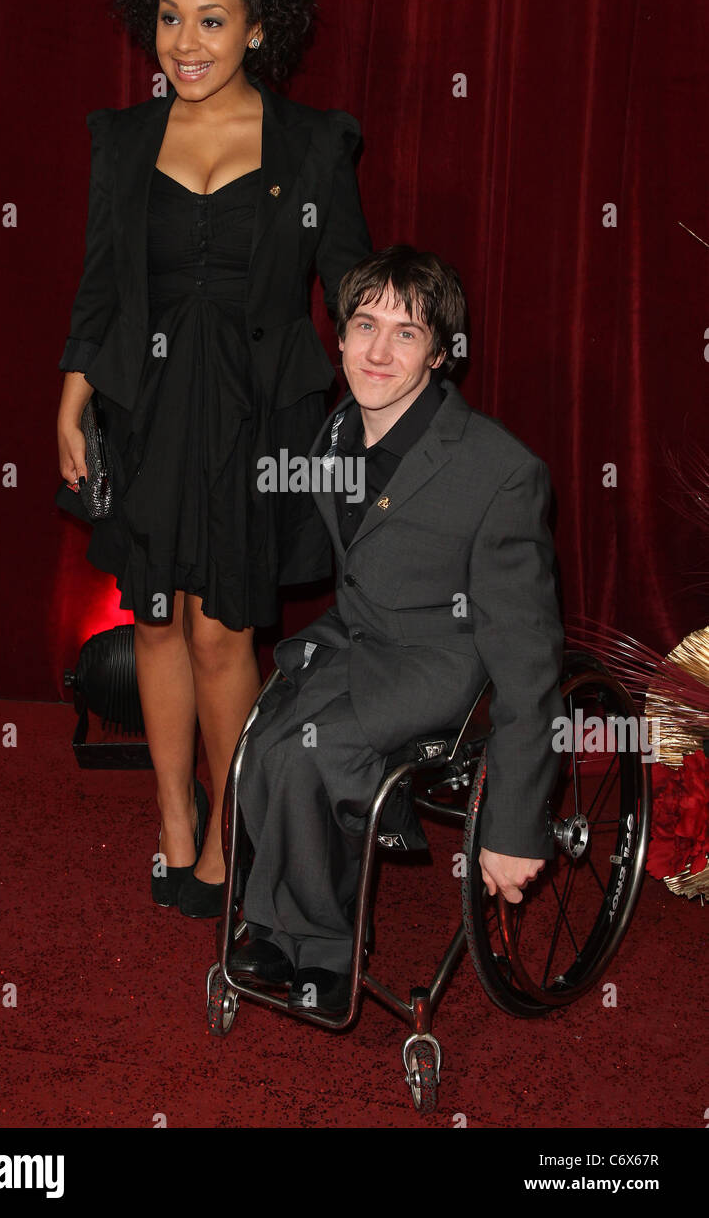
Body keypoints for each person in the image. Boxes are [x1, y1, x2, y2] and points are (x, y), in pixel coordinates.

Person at [55, 0, 371, 918]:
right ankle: (173, 819)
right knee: (154, 623)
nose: (184, 43)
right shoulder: (122, 140)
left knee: (224, 633)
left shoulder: (313, 146)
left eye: (211, 21)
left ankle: (235, 834)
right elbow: (101, 287)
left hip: (255, 415)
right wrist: (70, 397)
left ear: (258, 27)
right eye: (169, 18)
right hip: (145, 407)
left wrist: (392, 395)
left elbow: (353, 286)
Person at [230, 245, 566, 1014]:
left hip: (444, 660)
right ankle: (277, 927)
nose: (378, 350)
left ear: (441, 353)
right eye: (364, 325)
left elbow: (528, 657)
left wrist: (515, 825)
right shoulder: (337, 434)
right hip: (359, 638)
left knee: (317, 757)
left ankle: (318, 948)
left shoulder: (501, 471)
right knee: (263, 747)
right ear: (340, 336)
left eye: (406, 334)